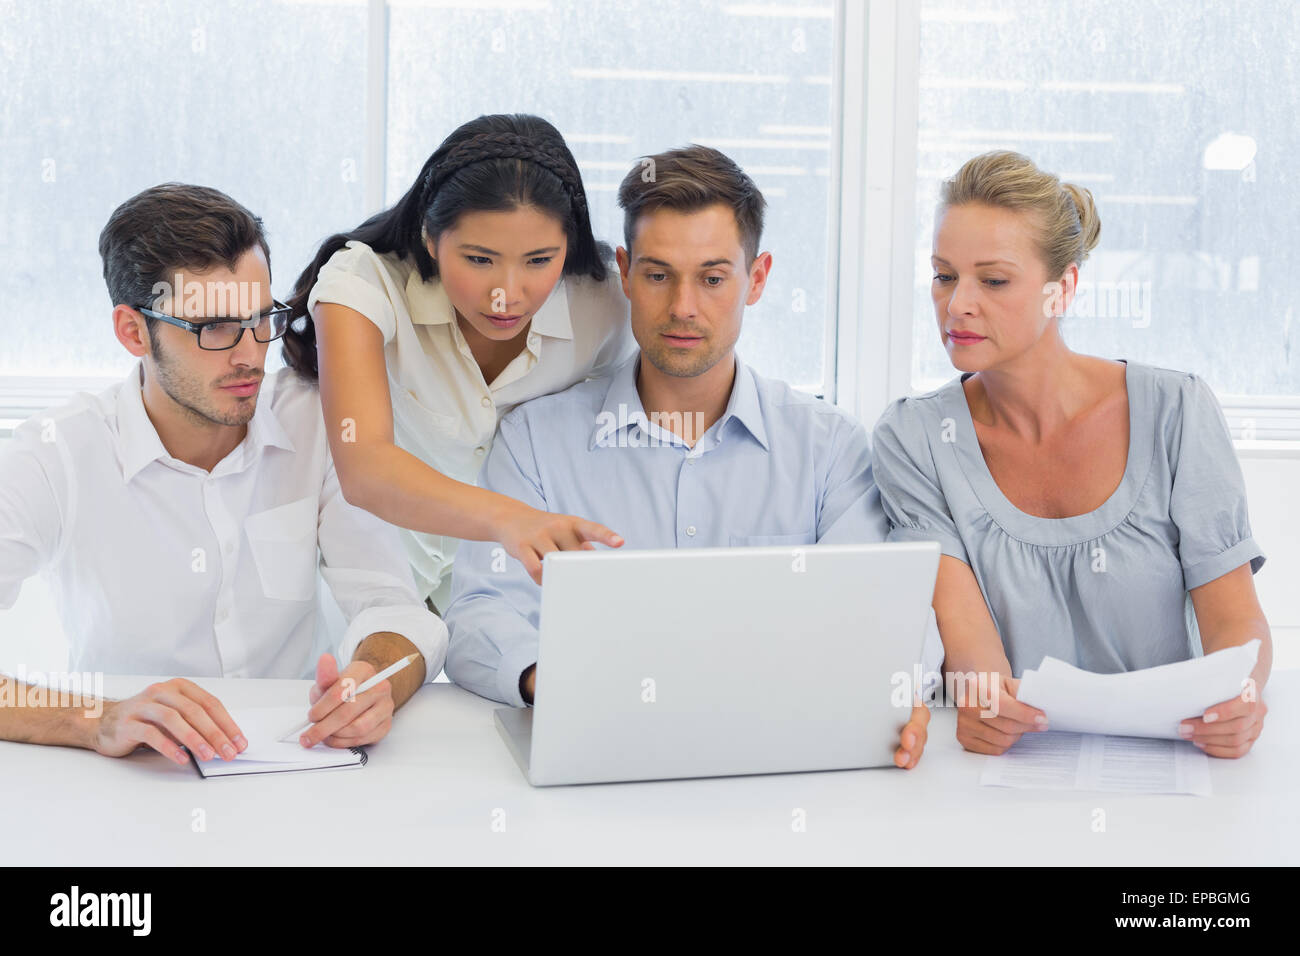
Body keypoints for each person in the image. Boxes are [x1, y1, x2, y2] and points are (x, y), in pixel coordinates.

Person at [444, 146, 931, 769]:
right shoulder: (536, 442)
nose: (682, 307)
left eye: (712, 277)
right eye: (657, 274)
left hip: (783, 768)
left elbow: (884, 616)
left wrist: (897, 690)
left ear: (756, 280)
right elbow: (480, 609)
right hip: (598, 762)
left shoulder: (829, 448)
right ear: (623, 273)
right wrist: (550, 679)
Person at [0, 184, 444, 765]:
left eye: (261, 319)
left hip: (300, 765)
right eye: (213, 328)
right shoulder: (56, 453)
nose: (250, 354)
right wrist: (98, 718)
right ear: (134, 332)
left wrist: (376, 679)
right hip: (125, 781)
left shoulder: (316, 421)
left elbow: (393, 604)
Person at [871, 150, 1270, 759]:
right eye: (944, 274)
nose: (957, 305)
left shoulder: (1176, 411)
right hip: (1008, 774)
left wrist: (1241, 695)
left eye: (994, 280)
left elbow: (1234, 622)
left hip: (1175, 768)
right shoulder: (913, 437)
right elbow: (969, 639)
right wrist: (981, 697)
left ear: (1064, 289)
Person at [284, 113, 636, 613]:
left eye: (539, 261)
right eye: (478, 259)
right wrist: (511, 519)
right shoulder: (362, 284)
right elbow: (362, 466)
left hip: (507, 597)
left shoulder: (606, 304)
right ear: (431, 237)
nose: (506, 296)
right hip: (365, 588)